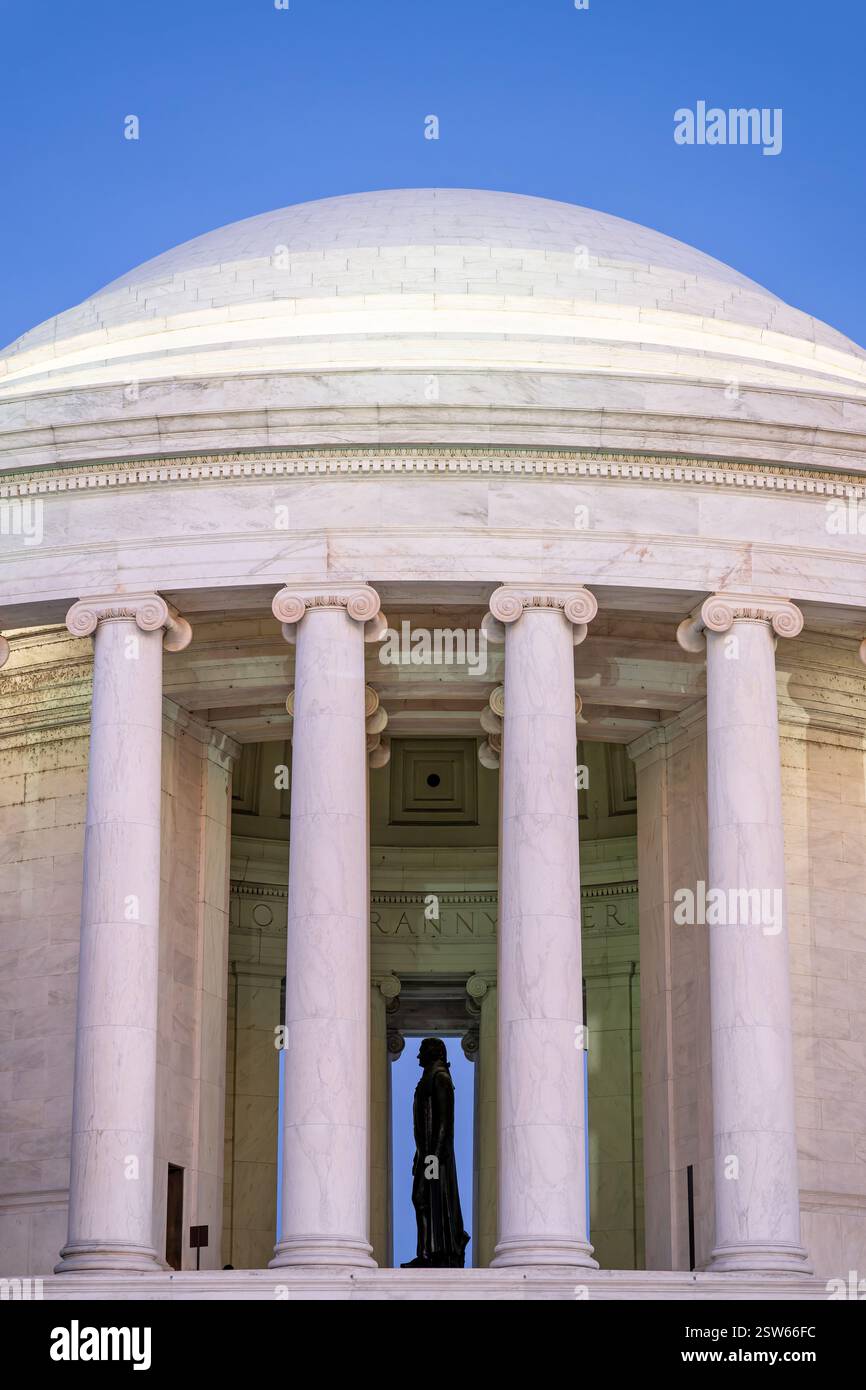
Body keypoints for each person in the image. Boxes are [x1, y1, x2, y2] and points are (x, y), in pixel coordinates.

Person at [400, 1037, 470, 1268]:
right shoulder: (430, 1076)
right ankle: (428, 1252)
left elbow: (443, 1122)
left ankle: (432, 1253)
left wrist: (433, 1157)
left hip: (434, 1157)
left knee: (425, 1198)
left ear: (434, 1053)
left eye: (422, 1050)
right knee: (425, 1199)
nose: (418, 1055)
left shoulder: (440, 1078)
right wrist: (419, 1156)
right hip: (427, 1155)